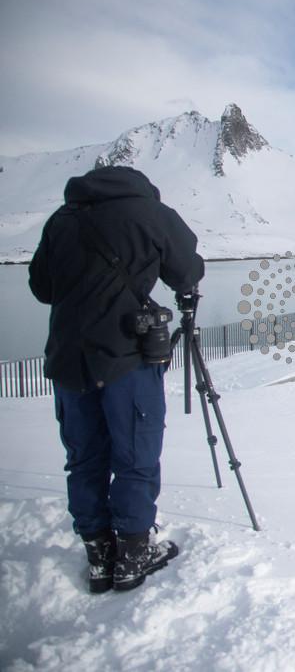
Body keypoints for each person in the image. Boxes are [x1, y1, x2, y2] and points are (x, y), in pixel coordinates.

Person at [29, 165, 204, 593]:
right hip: (126, 358)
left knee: (84, 456)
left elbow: (42, 288)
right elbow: (186, 271)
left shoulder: (62, 219)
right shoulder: (150, 213)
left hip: (69, 361)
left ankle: (98, 552)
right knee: (135, 454)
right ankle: (133, 551)